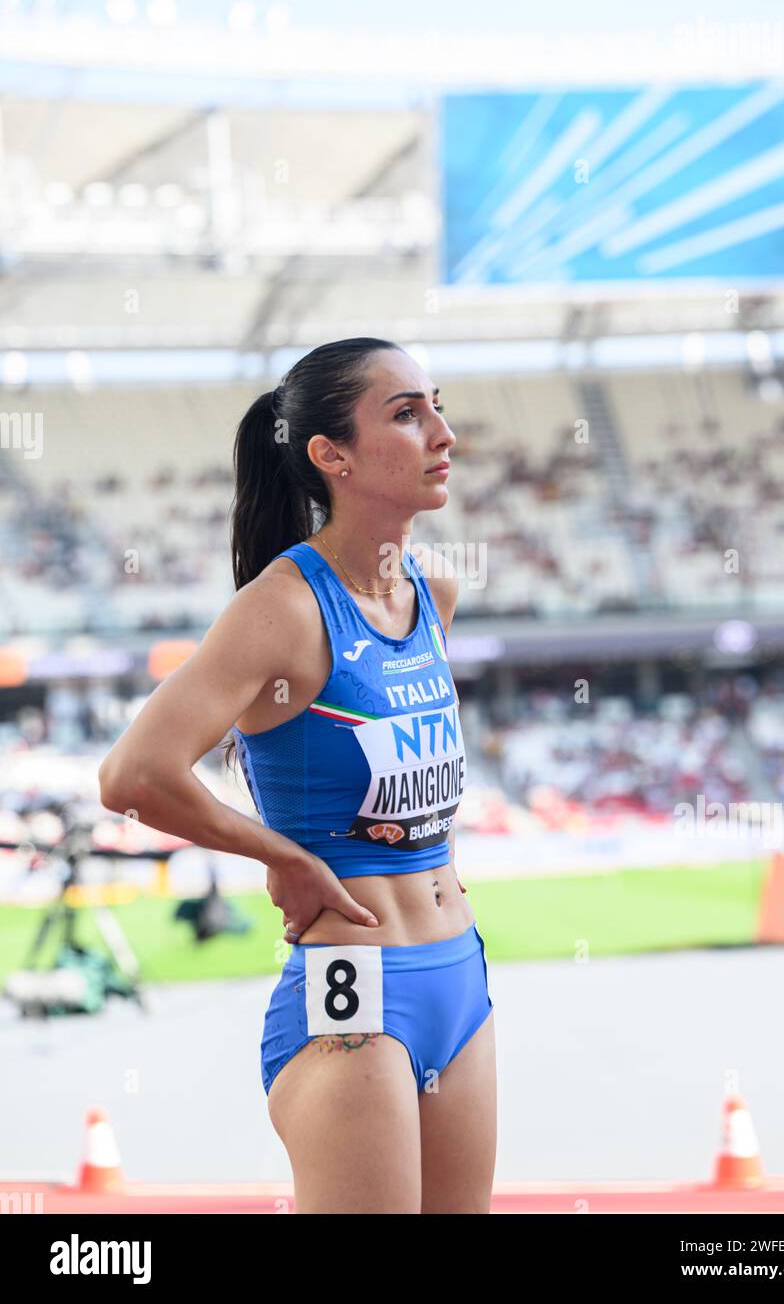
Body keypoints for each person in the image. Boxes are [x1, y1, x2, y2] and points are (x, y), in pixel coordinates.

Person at [98, 338, 496, 1213]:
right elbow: (133, 773)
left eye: (437, 404)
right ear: (331, 456)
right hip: (352, 990)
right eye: (407, 413)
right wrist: (282, 855)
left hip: (460, 977)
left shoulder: (434, 590)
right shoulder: (282, 608)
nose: (443, 433)